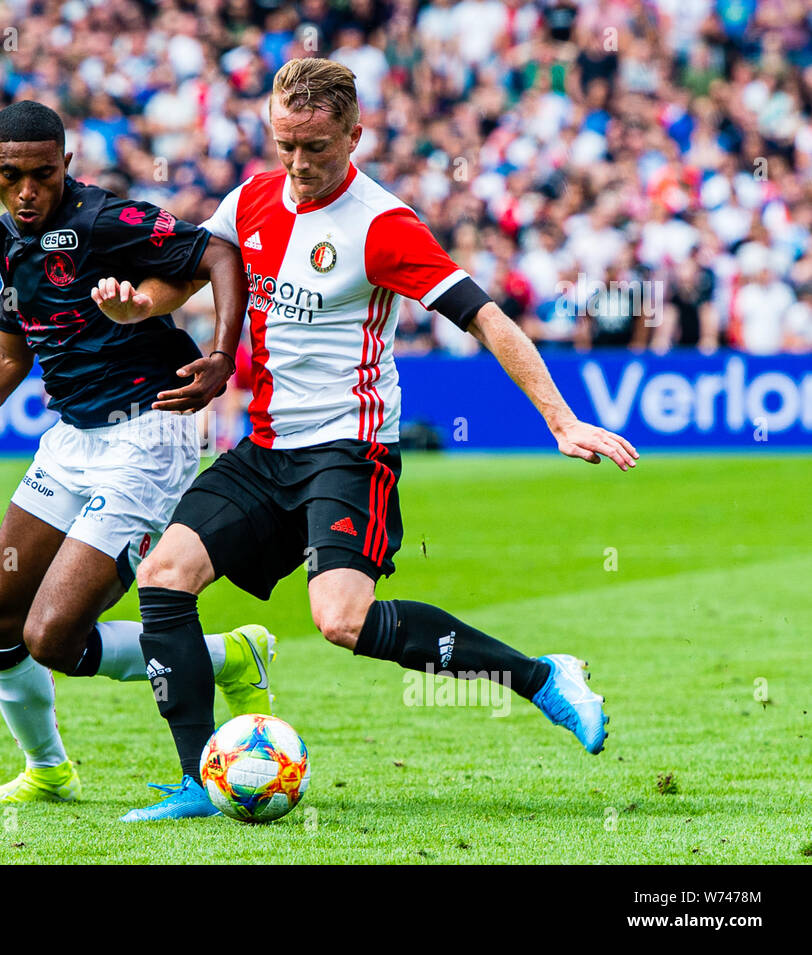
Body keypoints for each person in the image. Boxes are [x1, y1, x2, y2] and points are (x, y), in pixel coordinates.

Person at [94, 58, 639, 822]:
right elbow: (182, 284)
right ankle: (197, 779)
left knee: (341, 620)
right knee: (164, 575)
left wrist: (561, 418)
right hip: (264, 448)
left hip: (349, 450)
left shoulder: (383, 226)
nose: (299, 163)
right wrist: (132, 309)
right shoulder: (248, 200)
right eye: (285, 143)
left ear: (355, 134)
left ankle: (543, 677)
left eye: (316, 146)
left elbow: (485, 316)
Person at [0, 101, 273, 804]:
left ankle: (219, 658)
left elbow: (219, 252)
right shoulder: (8, 237)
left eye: (43, 175)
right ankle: (49, 768)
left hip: (149, 432)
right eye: (11, 175)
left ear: (67, 166)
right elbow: (8, 354)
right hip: (72, 437)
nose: (28, 191)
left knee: (53, 635)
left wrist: (219, 356)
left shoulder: (106, 220)